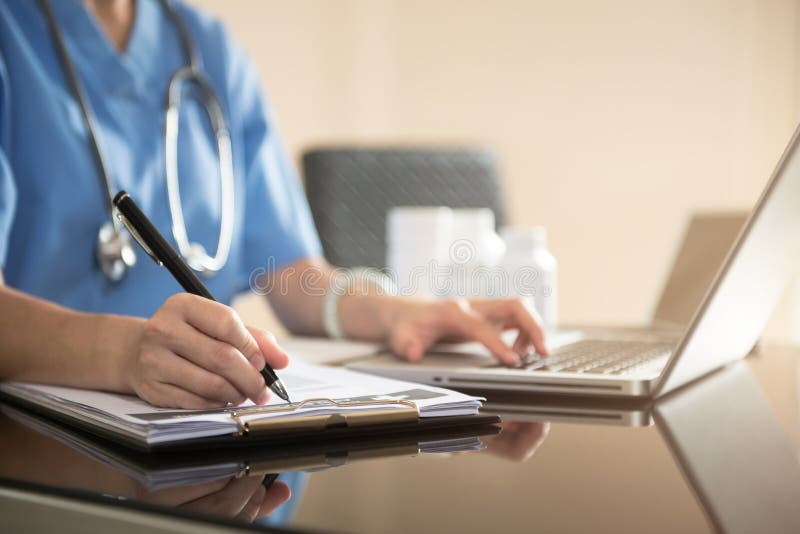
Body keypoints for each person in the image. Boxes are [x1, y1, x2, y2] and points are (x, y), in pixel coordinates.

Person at [0, 0, 548, 410]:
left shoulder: (207, 47)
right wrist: (125, 353)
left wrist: (399, 312)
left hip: (198, 434)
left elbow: (291, 275)